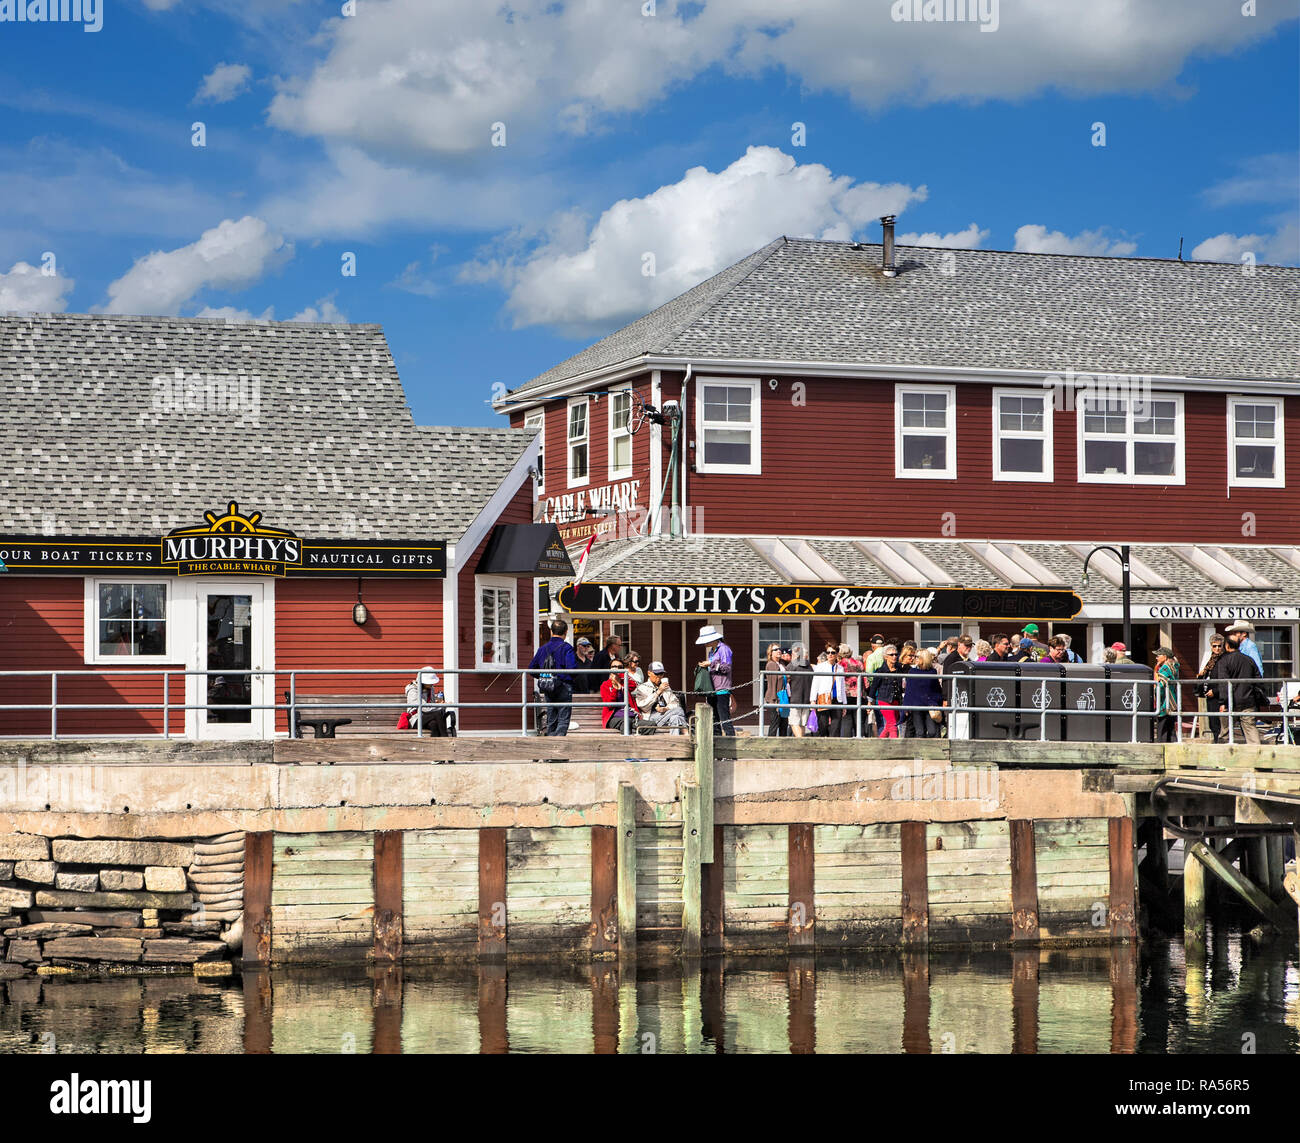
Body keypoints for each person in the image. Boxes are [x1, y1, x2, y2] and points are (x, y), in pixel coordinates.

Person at [528, 619, 578, 736]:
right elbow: (572, 669)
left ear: (551, 632)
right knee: (563, 718)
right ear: (565, 632)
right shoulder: (567, 648)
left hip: (548, 686)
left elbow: (531, 668)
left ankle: (550, 742)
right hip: (563, 685)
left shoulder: (542, 649)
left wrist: (544, 676)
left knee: (552, 716)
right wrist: (564, 677)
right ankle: (559, 745)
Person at [1217, 629, 1265, 744]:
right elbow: (1258, 680)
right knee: (1251, 730)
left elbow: (1224, 683)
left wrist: (1223, 702)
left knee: (1225, 733)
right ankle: (1257, 757)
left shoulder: (1223, 661)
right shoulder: (1249, 660)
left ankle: (1223, 759)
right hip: (1248, 700)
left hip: (1230, 702)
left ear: (1227, 646)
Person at [697, 625, 734, 736]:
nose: (704, 644)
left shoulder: (724, 649)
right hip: (712, 688)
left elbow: (727, 668)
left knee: (724, 717)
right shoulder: (711, 652)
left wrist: (711, 664)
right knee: (714, 717)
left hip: (722, 688)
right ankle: (716, 740)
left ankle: (730, 741)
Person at [633, 661, 688, 733]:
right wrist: (658, 692)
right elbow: (643, 707)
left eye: (661, 674)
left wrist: (665, 708)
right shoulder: (642, 687)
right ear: (649, 673)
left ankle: (674, 741)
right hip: (650, 718)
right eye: (656, 674)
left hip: (666, 715)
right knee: (679, 710)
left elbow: (675, 703)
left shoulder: (666, 687)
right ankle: (686, 732)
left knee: (676, 717)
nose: (659, 676)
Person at [403, 667, 457, 736]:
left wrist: (439, 704)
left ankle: (435, 745)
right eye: (430, 682)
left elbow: (432, 706)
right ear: (423, 682)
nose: (432, 684)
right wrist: (441, 706)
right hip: (415, 719)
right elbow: (424, 708)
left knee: (434, 724)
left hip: (429, 717)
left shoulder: (431, 688)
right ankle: (446, 739)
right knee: (437, 714)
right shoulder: (413, 690)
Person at [904, 648, 943, 738]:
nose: (915, 659)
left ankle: (929, 749)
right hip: (916, 705)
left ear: (924, 658)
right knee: (920, 732)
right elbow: (909, 691)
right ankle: (919, 751)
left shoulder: (932, 672)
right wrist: (905, 706)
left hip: (930, 705)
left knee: (932, 731)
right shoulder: (912, 672)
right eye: (915, 656)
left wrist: (938, 702)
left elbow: (936, 689)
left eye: (917, 657)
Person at [867, 644, 904, 738]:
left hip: (896, 700)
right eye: (891, 655)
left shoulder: (899, 669)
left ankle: (878, 745)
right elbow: (874, 687)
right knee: (893, 725)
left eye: (896, 654)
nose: (894, 656)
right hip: (884, 699)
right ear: (885, 656)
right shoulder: (880, 671)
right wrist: (869, 702)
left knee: (889, 725)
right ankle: (894, 749)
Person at [1196, 634, 1227, 742]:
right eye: (1214, 646)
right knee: (1212, 722)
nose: (1217, 648)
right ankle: (1216, 741)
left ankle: (1220, 743)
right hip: (1209, 695)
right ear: (1211, 646)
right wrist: (1201, 676)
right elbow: (1207, 673)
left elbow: (1226, 679)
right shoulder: (1211, 659)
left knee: (1219, 723)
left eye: (1219, 646)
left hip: (1220, 695)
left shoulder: (1225, 659)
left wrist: (1215, 691)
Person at [1153, 646, 1181, 742]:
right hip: (1173, 702)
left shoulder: (1164, 668)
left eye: (1158, 656)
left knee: (1162, 730)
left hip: (1165, 702)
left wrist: (1155, 695)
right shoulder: (1175, 667)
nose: (1156, 658)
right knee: (1171, 730)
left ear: (1164, 657)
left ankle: (1160, 750)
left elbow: (1160, 687)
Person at [762, 642, 789, 737]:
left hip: (783, 696)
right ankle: (770, 745)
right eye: (775, 649)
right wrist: (775, 701)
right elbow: (773, 684)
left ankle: (783, 745)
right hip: (775, 697)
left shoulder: (781, 664)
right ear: (770, 653)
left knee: (784, 723)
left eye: (779, 649)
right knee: (775, 722)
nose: (779, 651)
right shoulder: (771, 665)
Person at [600, 659, 635, 733]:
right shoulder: (605, 685)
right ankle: (626, 743)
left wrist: (620, 677)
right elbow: (609, 705)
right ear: (610, 669)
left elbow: (634, 684)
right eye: (614, 666)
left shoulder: (625, 682)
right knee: (626, 722)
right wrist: (615, 688)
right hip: (614, 717)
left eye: (620, 667)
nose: (617, 669)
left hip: (631, 715)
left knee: (650, 724)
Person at [787, 642, 813, 738]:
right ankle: (801, 741)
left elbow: (785, 678)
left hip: (795, 698)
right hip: (807, 698)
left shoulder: (793, 665)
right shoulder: (810, 667)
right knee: (802, 723)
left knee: (794, 722)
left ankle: (800, 741)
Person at [838, 642, 863, 736]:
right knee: (858, 718)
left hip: (846, 694)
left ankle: (847, 739)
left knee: (847, 718)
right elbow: (864, 679)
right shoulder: (859, 663)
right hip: (858, 694)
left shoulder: (840, 664)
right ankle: (860, 737)